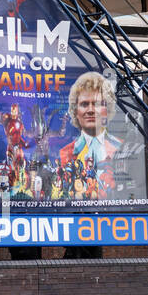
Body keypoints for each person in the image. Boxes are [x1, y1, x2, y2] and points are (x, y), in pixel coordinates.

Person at [58, 72, 120, 201]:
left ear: (107, 109)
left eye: (97, 104)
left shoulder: (122, 148)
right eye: (84, 104)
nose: (91, 110)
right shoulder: (65, 153)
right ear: (75, 111)